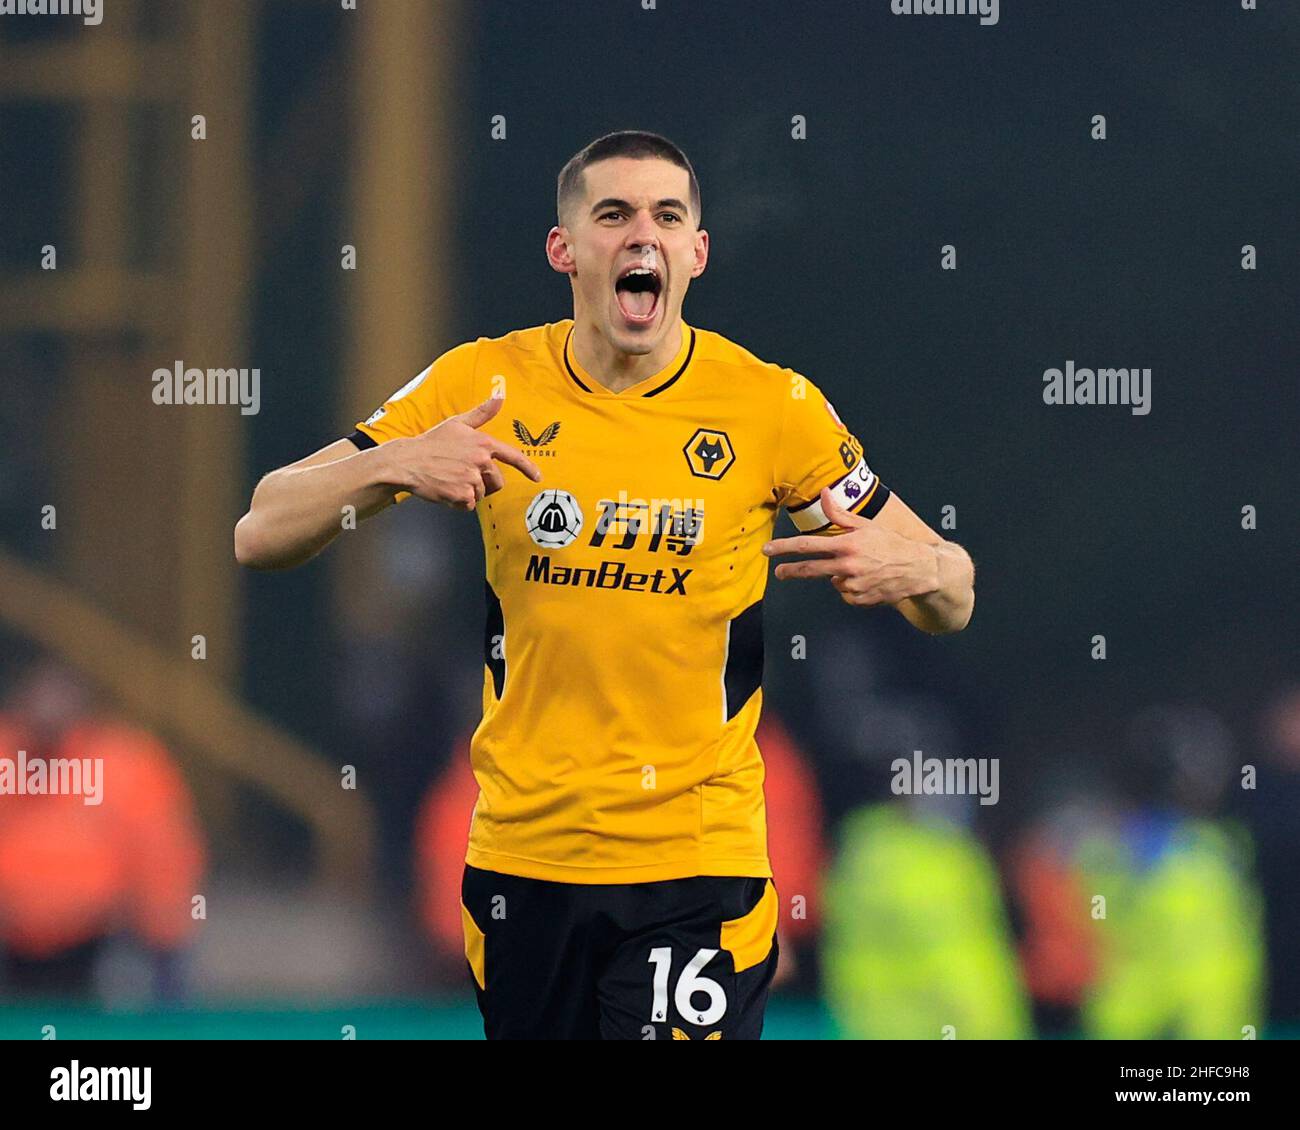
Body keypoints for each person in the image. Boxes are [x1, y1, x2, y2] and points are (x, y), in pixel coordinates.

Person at [234, 130, 976, 1039]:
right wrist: (393, 464)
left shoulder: (771, 408)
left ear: (696, 253)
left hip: (693, 865)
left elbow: (954, 593)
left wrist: (923, 567)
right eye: (613, 214)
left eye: (668, 217)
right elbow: (261, 527)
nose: (643, 237)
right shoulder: (487, 382)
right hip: (524, 865)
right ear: (566, 249)